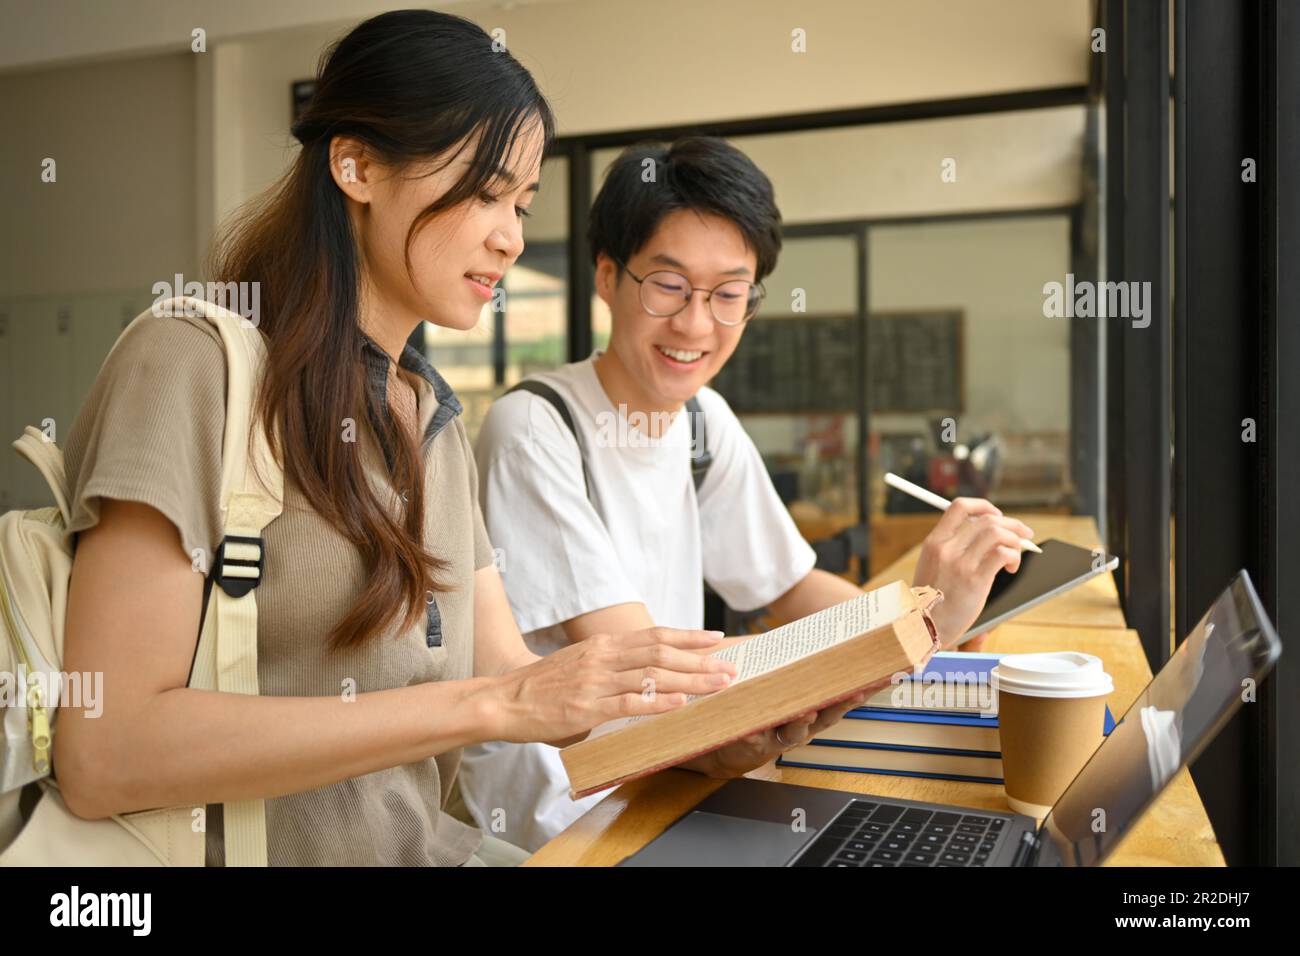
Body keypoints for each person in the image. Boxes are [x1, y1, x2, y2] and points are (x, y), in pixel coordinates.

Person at [54, 10, 864, 868]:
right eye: (484, 192)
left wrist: (713, 742)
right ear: (355, 164)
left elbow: (523, 682)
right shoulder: (191, 362)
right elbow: (106, 752)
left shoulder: (427, 418)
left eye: (520, 202)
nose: (510, 236)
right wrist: (493, 704)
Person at [456, 137, 1037, 851]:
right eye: (667, 286)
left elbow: (791, 587)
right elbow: (637, 669)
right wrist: (922, 620)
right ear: (607, 277)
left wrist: (935, 623)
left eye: (728, 295)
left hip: (674, 779)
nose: (697, 325)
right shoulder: (536, 429)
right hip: (572, 822)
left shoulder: (703, 419)